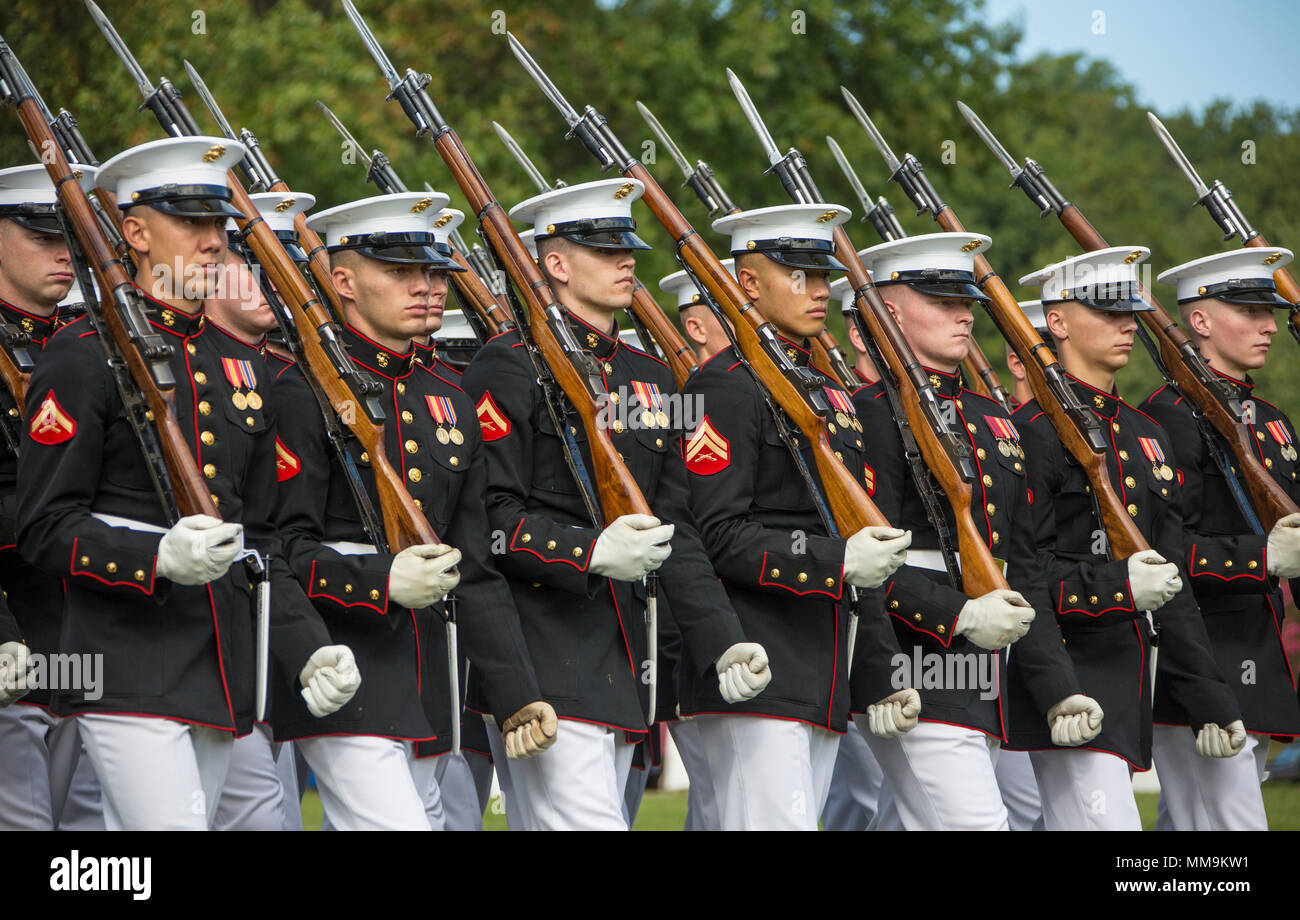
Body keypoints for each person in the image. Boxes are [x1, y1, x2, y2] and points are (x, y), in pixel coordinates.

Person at [17, 136, 358, 830]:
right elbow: (45, 526)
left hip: (219, 655)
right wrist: (156, 558)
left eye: (219, 227)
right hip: (124, 654)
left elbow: (261, 537)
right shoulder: (82, 358)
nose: (213, 243)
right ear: (135, 233)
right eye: (191, 224)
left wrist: (307, 642)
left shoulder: (241, 369)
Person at [462, 178, 770, 830]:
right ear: (555, 263)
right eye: (604, 251)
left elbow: (676, 526)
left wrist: (721, 638)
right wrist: (588, 550)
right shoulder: (507, 366)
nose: (626, 260)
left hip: (627, 660)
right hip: (543, 652)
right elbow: (489, 516)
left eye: (627, 247)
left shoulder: (649, 378)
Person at [272, 190, 557, 830]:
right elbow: (280, 543)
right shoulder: (303, 389)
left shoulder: (448, 395)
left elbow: (475, 566)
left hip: (430, 674)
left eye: (432, 271)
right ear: (342, 280)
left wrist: (515, 694)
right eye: (400, 272)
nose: (426, 286)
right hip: (342, 656)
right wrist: (379, 580)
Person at [680, 202, 916, 830]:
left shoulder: (823, 390)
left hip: (822, 661)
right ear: (749, 283)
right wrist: (837, 561)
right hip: (757, 656)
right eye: (800, 276)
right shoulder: (724, 386)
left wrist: (875, 668)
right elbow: (717, 533)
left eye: (823, 276)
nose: (820, 290)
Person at [1008, 246, 1244, 830]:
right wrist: (1059, 686)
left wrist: (1208, 692)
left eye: (1130, 313)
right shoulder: (1033, 433)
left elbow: (1172, 585)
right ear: (1056, 323)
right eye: (1107, 314)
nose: (1126, 326)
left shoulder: (1144, 433)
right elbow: (1022, 575)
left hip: (1132, 673)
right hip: (1069, 673)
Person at [849, 232, 1053, 831]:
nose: (964, 313)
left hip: (986, 672)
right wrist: (956, 618)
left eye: (964, 299)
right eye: (940, 301)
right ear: (888, 311)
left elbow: (1021, 556)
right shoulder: (866, 414)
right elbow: (867, 561)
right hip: (915, 668)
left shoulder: (992, 419)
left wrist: (1053, 681)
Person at [1140, 247, 1300, 829]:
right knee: (1223, 825)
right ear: (1199, 321)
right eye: (1249, 311)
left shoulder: (1272, 419)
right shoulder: (1163, 420)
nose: (1268, 325)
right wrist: (1262, 556)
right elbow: (1161, 549)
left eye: (1270, 312)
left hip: (1255, 648)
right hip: (1195, 647)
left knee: (1194, 827)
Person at [204, 190, 317, 832]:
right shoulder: (200, 366)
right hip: (202, 624)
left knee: (268, 811)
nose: (275, 282)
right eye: (256, 263)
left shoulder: (286, 371)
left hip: (285, 618)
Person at [0, 162, 105, 830]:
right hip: (14, 625)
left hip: (92, 627)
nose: (65, 252)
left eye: (70, 233)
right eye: (43, 235)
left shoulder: (96, 348)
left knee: (91, 835)